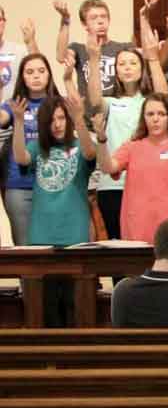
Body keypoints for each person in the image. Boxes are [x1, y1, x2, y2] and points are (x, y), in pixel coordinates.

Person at [9, 93, 96, 325]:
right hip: (42, 235)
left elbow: (90, 153)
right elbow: (21, 157)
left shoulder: (79, 145)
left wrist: (79, 118)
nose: (57, 125)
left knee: (73, 305)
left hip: (74, 235)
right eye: (51, 120)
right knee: (46, 306)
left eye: (61, 118)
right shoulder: (37, 148)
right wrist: (18, 121)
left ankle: (75, 358)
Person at [86, 7, 168, 240]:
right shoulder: (111, 102)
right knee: (116, 246)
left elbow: (164, 98)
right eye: (122, 64)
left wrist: (152, 57)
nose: (128, 67)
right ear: (116, 72)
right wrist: (93, 59)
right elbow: (93, 99)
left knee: (145, 244)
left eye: (133, 63)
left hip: (146, 182)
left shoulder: (150, 103)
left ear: (142, 69)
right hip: (113, 185)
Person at [95, 92, 168, 244]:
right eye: (150, 114)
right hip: (137, 231)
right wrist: (101, 139)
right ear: (143, 118)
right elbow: (108, 167)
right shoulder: (132, 147)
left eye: (161, 114)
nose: (155, 119)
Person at [0, 52, 60, 246]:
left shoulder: (59, 103)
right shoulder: (15, 104)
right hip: (19, 185)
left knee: (54, 248)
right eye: (30, 72)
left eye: (41, 71)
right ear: (22, 77)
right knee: (26, 250)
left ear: (49, 75)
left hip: (53, 185)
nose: (36, 76)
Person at [53, 0, 133, 97]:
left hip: (116, 107)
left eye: (103, 16)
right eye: (94, 18)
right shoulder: (78, 49)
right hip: (88, 108)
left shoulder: (123, 48)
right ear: (84, 24)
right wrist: (65, 20)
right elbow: (61, 57)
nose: (100, 21)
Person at [0, 6, 36, 104]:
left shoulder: (19, 51)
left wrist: (31, 42)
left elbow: (39, 68)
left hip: (15, 114)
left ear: (4, 23)